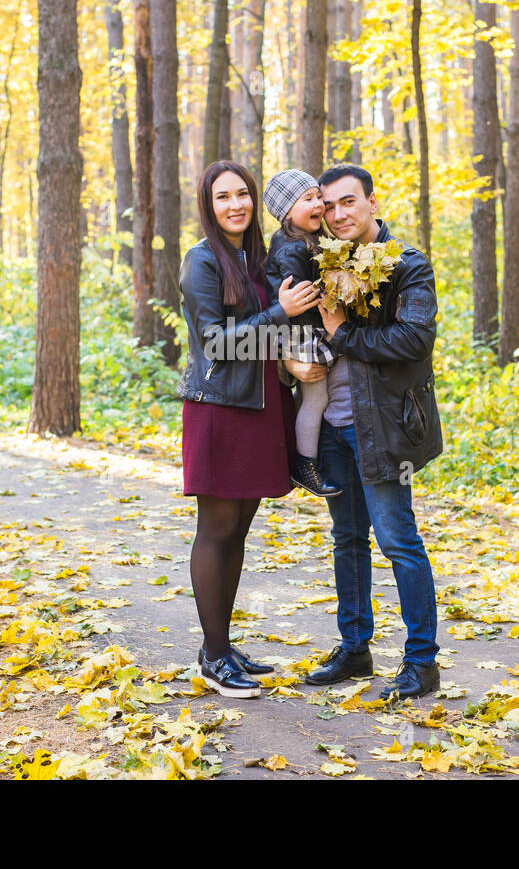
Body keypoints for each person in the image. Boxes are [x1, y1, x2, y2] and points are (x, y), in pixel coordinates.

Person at [177, 160, 323, 698]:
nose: (235, 204)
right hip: (219, 410)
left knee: (238, 531)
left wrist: (291, 361)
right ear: (208, 206)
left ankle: (220, 644)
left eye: (243, 194)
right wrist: (278, 314)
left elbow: (266, 338)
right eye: (223, 197)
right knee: (216, 530)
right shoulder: (201, 261)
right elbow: (216, 343)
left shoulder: (256, 259)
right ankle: (214, 658)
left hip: (261, 407)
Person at [299, 163, 445, 702]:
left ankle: (421, 662)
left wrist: (343, 334)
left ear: (372, 202)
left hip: (381, 428)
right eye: (328, 206)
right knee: (347, 540)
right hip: (333, 426)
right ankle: (355, 648)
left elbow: (413, 342)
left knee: (398, 540)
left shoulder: (406, 265)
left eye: (348, 203)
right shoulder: (319, 262)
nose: (338, 214)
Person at [262, 169, 341, 498]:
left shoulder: (299, 241)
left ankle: (300, 455)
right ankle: (304, 464)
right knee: (317, 397)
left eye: (318, 197)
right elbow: (299, 296)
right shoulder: (291, 249)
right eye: (307, 199)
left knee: (312, 398)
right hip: (301, 332)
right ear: (286, 211)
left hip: (301, 329)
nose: (318, 204)